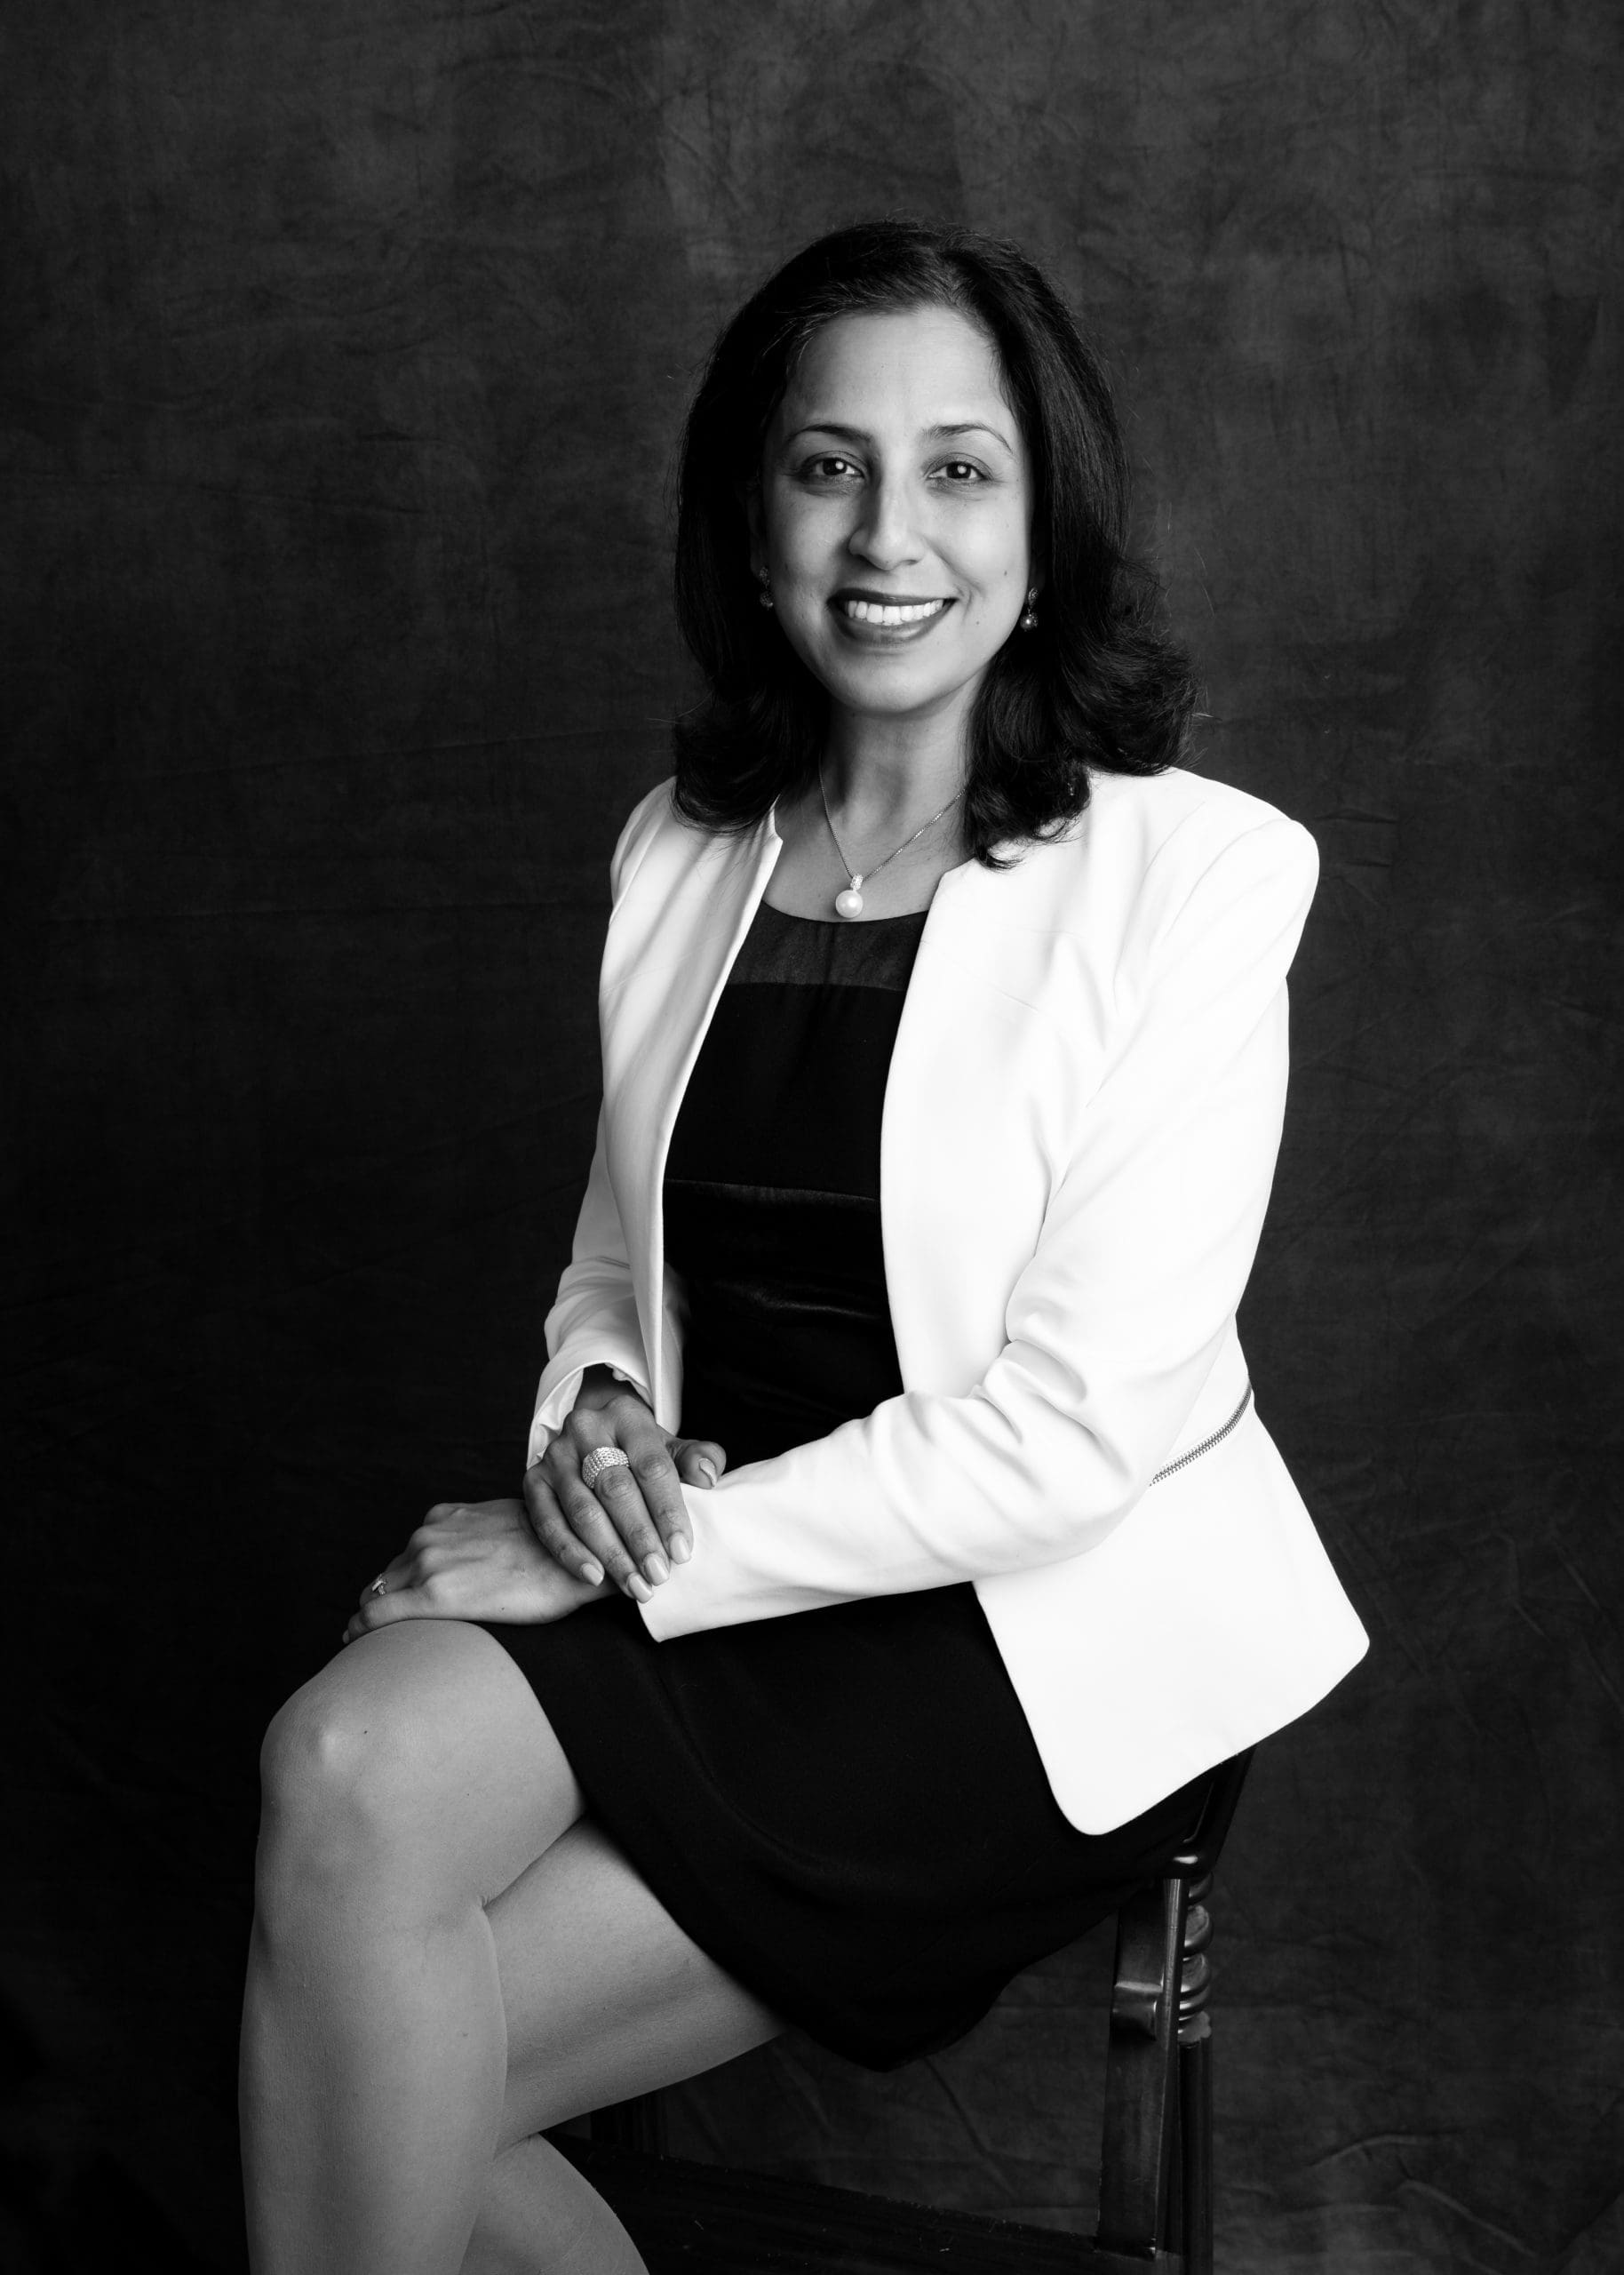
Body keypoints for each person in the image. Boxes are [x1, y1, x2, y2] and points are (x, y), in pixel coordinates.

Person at [240, 220, 1368, 2274]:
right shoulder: (679, 846)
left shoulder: (1198, 874)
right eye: (827, 464)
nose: (886, 534)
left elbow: (1065, 1438)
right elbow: (615, 1263)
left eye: (957, 468)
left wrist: (611, 1562)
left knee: (366, 2050)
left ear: (1041, 530)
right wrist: (593, 1421)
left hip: (1027, 1637)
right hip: (718, 1537)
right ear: (751, 523)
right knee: (335, 1758)